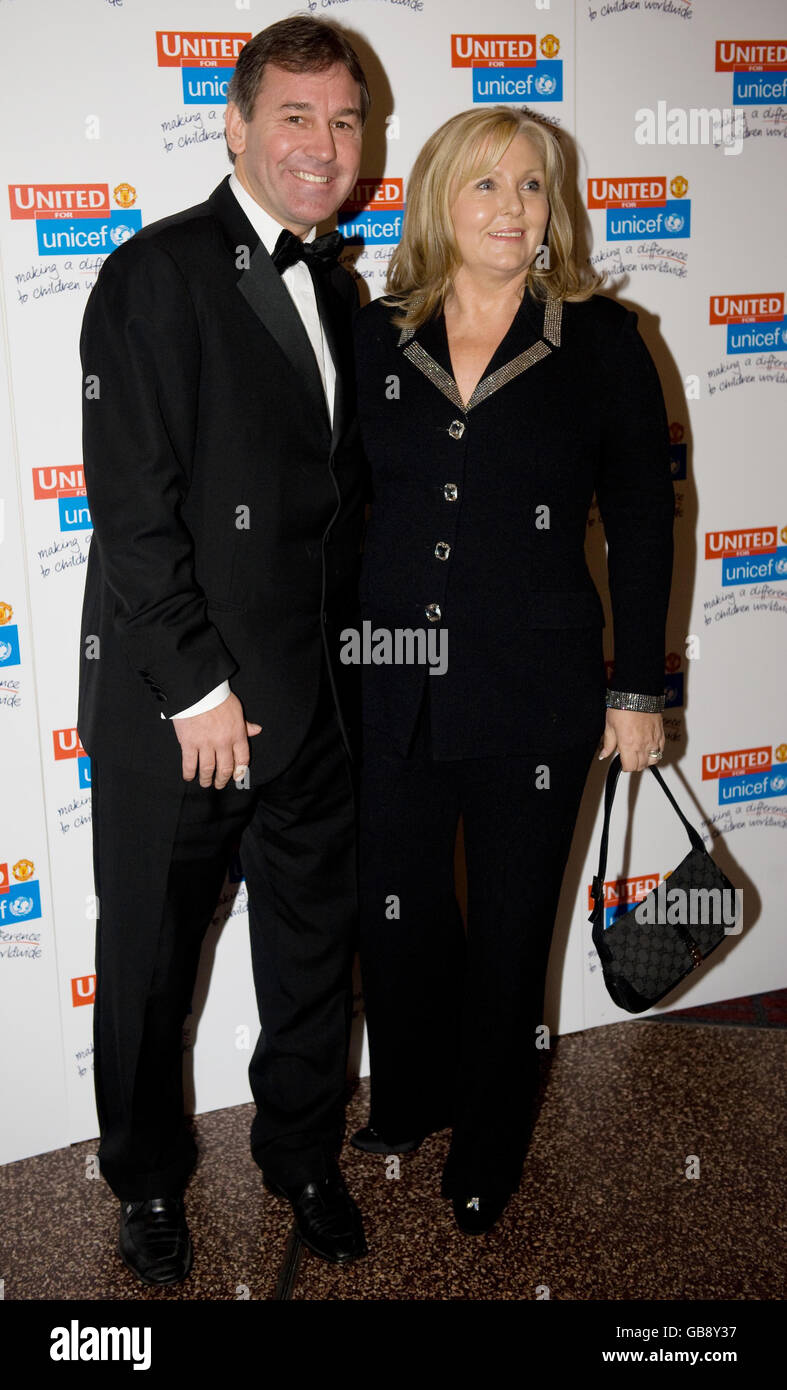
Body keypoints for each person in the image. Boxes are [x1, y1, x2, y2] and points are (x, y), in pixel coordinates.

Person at [78, 16, 371, 1283]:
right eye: (296, 116)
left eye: (344, 119)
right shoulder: (156, 273)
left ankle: (301, 1152)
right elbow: (133, 508)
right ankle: (146, 1183)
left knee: (311, 952)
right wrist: (196, 685)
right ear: (239, 126)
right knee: (150, 966)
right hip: (179, 710)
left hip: (311, 703)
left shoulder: (344, 289)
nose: (322, 143)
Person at [350, 106, 675, 1235]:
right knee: (395, 915)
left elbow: (640, 517)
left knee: (508, 929)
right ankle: (414, 1091)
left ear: (554, 211)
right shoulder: (375, 331)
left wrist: (638, 688)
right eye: (483, 184)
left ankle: (486, 1146)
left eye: (530, 187)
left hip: (534, 689)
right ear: (439, 196)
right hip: (391, 676)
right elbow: (340, 508)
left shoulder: (599, 338)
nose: (508, 206)